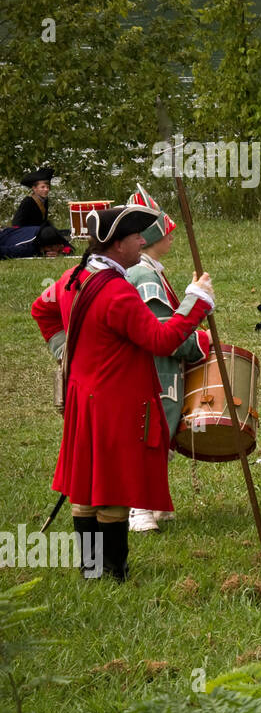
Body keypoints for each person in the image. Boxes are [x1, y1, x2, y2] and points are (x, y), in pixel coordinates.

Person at [30, 205, 214, 580]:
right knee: (112, 489)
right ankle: (113, 572)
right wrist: (196, 300)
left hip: (84, 397)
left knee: (84, 485)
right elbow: (161, 340)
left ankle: (91, 569)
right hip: (116, 401)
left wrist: (68, 352)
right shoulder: (116, 293)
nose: (141, 243)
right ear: (117, 245)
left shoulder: (72, 276)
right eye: (135, 238)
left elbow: (42, 310)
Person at [122, 188, 212, 531]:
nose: (171, 234)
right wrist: (200, 341)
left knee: (160, 435)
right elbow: (164, 337)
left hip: (158, 371)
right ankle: (138, 508)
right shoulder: (144, 275)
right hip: (155, 371)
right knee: (151, 434)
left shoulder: (149, 270)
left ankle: (155, 502)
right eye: (164, 230)